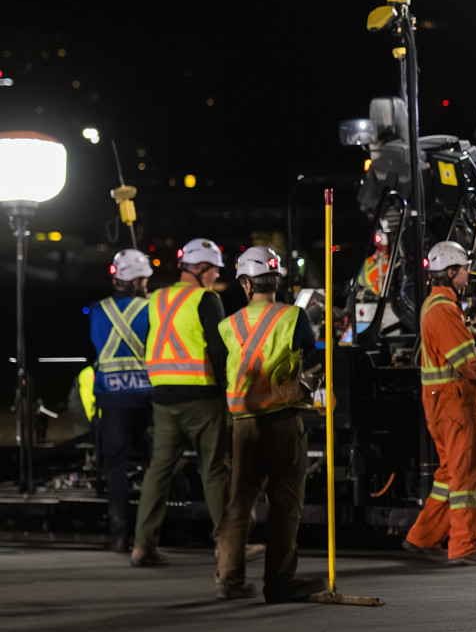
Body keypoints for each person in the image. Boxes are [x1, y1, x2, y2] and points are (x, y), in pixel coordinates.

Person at [213, 247, 323, 602]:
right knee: (285, 505)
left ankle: (229, 581)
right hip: (282, 423)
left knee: (238, 505)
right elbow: (311, 357)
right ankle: (278, 583)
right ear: (276, 280)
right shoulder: (294, 317)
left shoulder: (227, 326)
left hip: (243, 426)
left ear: (245, 284)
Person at [403, 241, 476, 566]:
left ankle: (421, 538)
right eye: (464, 269)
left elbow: (462, 349)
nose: (468, 275)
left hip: (446, 403)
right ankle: (465, 546)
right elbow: (470, 365)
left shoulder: (440, 306)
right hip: (453, 404)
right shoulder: (443, 310)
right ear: (451, 272)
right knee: (470, 475)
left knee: (450, 474)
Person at [132, 238, 232, 567]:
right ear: (202, 269)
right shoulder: (207, 300)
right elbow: (218, 349)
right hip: (201, 395)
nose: (216, 276)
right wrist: (224, 388)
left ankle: (142, 546)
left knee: (158, 471)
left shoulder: (157, 298)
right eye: (214, 270)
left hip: (162, 396)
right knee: (214, 470)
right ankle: (226, 545)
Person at [89, 249, 153, 552]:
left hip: (111, 399)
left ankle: (118, 531)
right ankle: (154, 529)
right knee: (159, 465)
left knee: (115, 466)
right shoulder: (153, 309)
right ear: (138, 279)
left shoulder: (98, 310)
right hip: (147, 397)